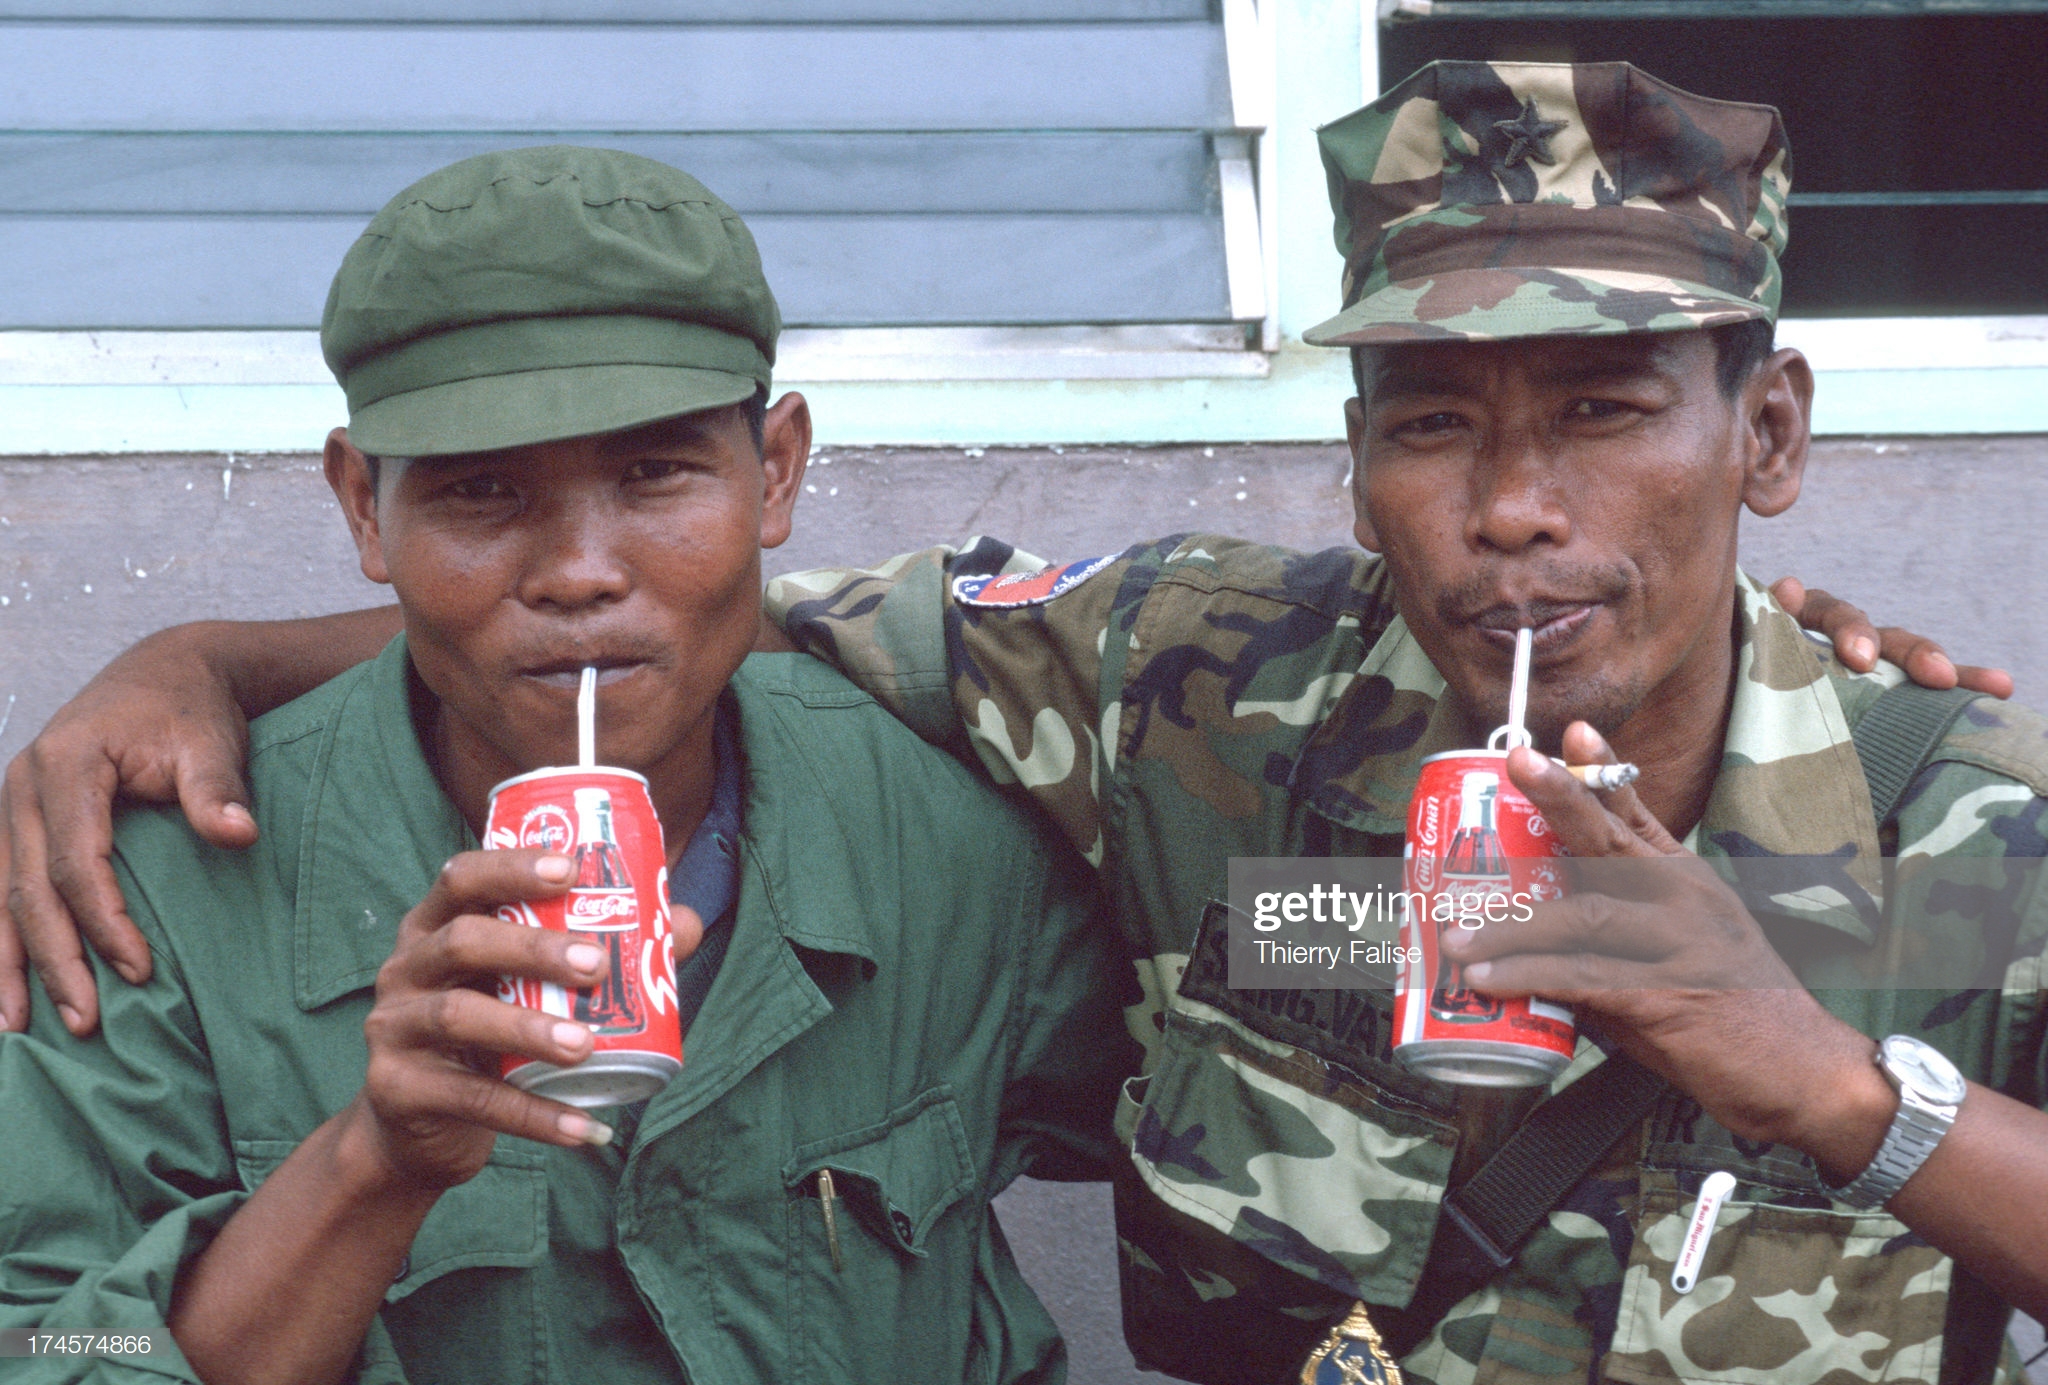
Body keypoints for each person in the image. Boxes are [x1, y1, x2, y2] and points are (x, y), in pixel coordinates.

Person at [0, 62, 2037, 1385]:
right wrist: (202, 653)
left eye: (1603, 412)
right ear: (1354, 465)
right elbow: (666, 613)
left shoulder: (1971, 829)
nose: (1515, 507)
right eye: (1433, 423)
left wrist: (1845, 1086)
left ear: (1763, 436)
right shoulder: (1196, 713)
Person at [0, 146, 1132, 1385]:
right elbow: (48, 1344)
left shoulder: (949, 839)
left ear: (779, 471)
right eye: (482, 490)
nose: (578, 569)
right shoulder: (147, 895)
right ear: (365, 509)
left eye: (654, 470)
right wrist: (370, 1165)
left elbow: (1243, 1080)